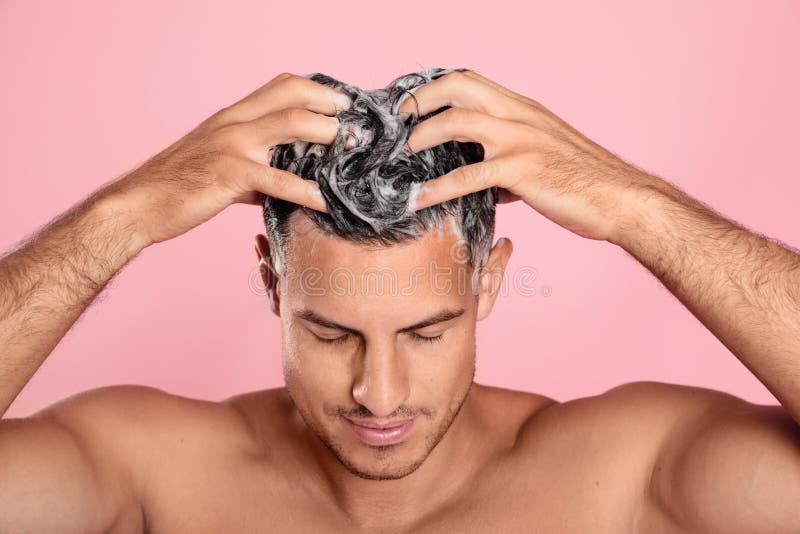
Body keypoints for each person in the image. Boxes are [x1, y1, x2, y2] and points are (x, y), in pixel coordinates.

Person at [0, 68, 798, 533]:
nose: (377, 394)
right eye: (329, 332)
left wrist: (636, 206)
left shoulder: (627, 476)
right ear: (274, 283)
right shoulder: (152, 473)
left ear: (487, 282)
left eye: (426, 332)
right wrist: (121, 216)